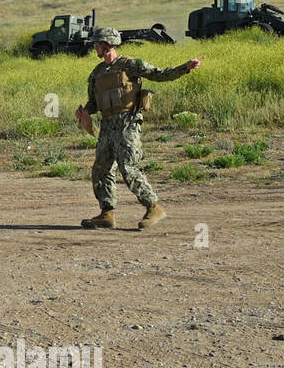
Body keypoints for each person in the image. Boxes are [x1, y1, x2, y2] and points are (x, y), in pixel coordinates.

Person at [75, 28, 203, 230]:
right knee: (101, 169)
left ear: (108, 44)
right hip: (107, 126)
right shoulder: (97, 73)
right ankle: (106, 214)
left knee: (128, 167)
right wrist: (84, 112)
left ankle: (153, 207)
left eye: (97, 44)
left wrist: (185, 67)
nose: (95, 47)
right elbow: (94, 102)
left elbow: (160, 74)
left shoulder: (131, 65)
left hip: (128, 123)